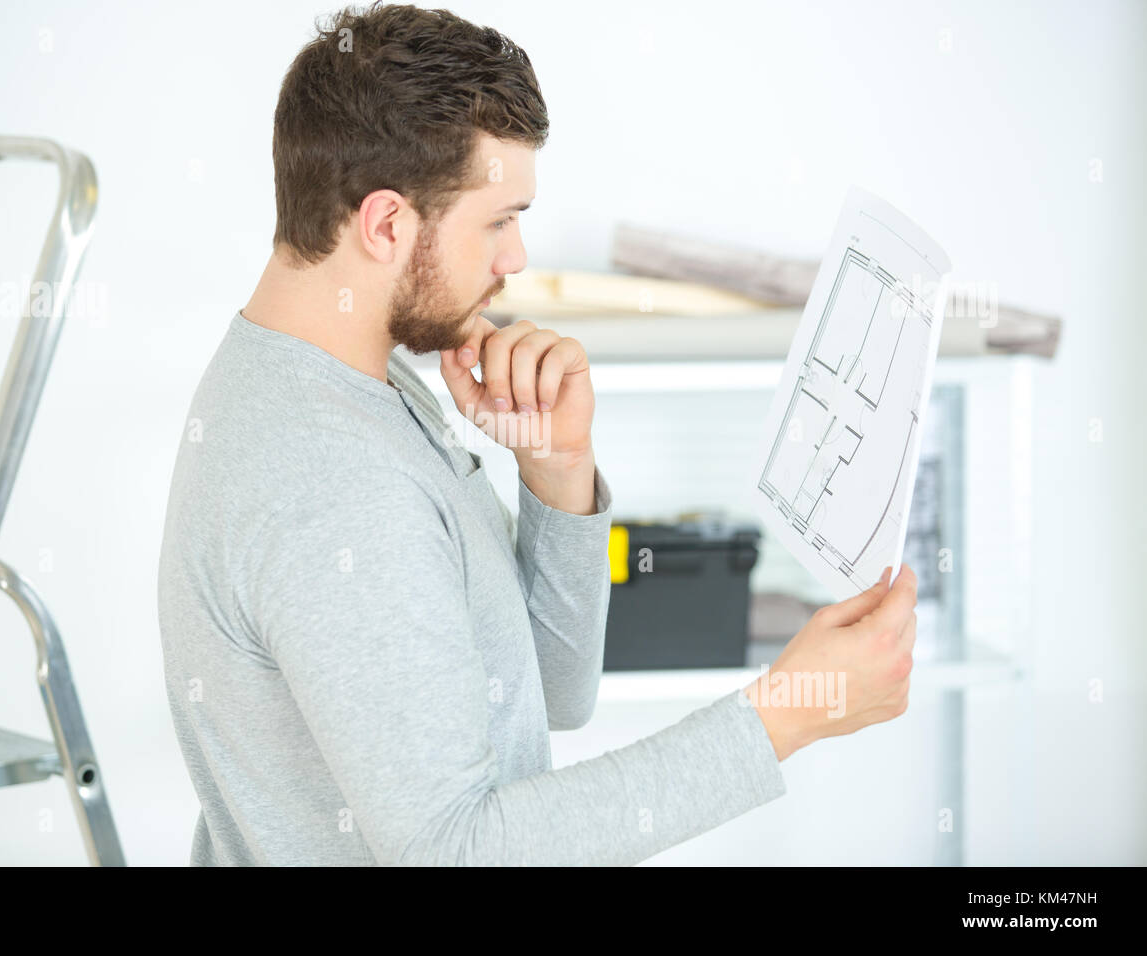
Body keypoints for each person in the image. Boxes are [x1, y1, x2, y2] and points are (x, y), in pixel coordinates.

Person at [156, 0, 918, 866]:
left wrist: (557, 473)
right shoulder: (332, 484)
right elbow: (458, 849)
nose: (516, 258)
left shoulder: (341, 376)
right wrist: (786, 713)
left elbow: (549, 693)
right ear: (385, 225)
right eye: (497, 220)